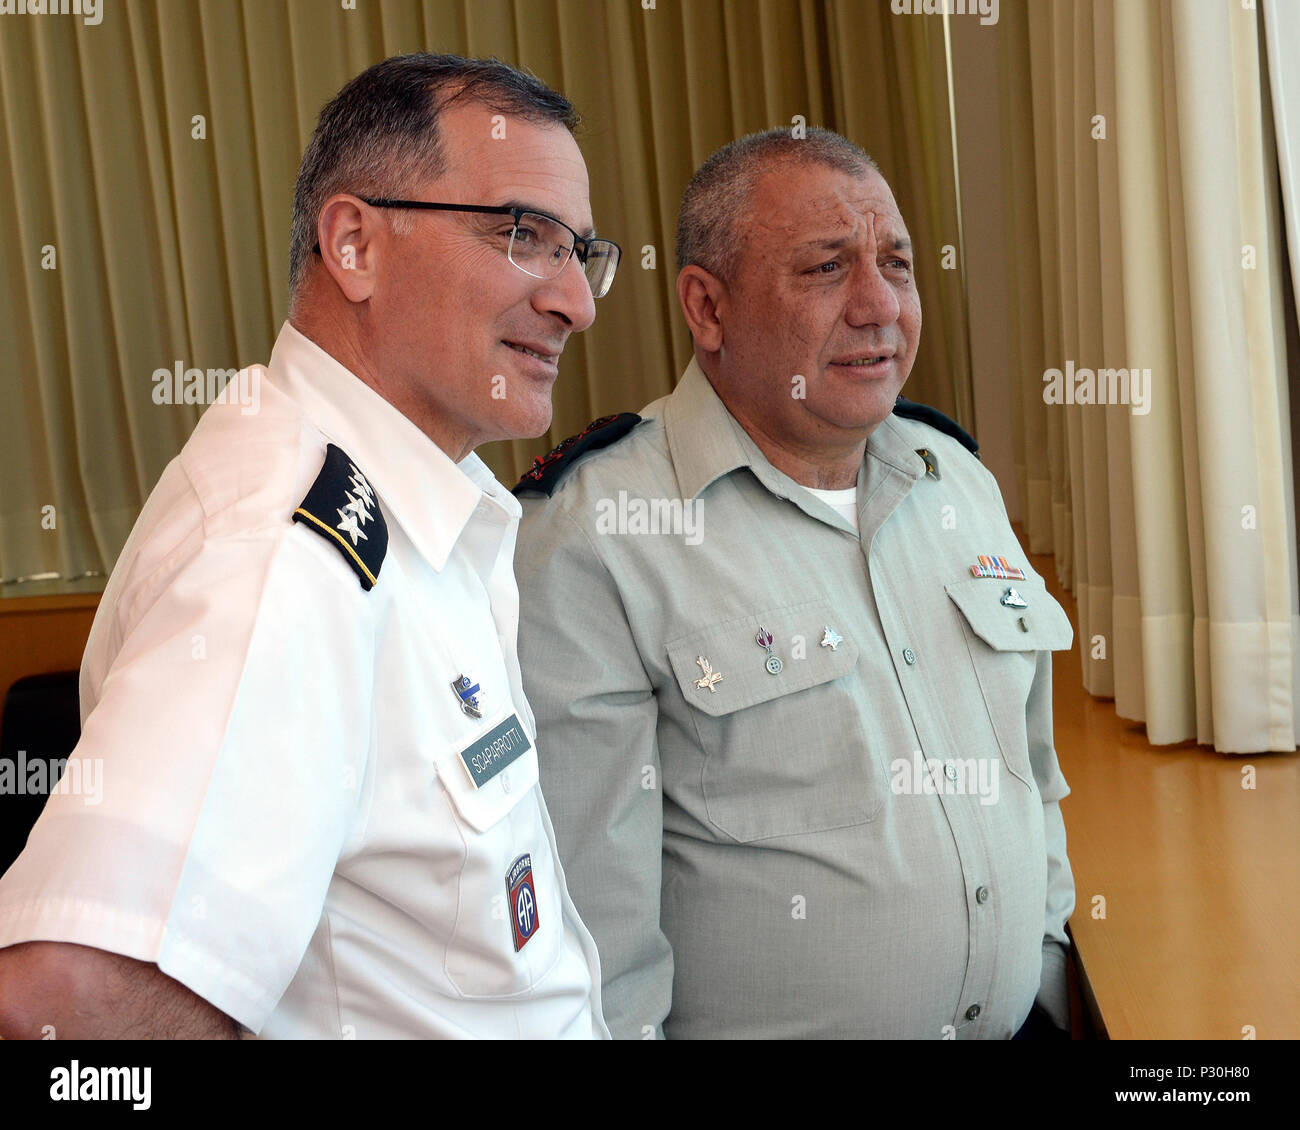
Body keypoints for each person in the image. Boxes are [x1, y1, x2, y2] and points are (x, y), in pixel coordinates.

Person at [0, 53, 621, 1040]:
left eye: (579, 252)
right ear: (354, 244)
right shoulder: (287, 550)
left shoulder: (416, 498)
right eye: (522, 235)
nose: (575, 302)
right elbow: (68, 1006)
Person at [513, 127, 1076, 1039]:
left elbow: (1033, 780)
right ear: (708, 307)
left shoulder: (956, 480)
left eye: (897, 262)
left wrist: (1045, 970)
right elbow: (594, 942)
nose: (879, 304)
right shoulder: (594, 537)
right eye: (825, 269)